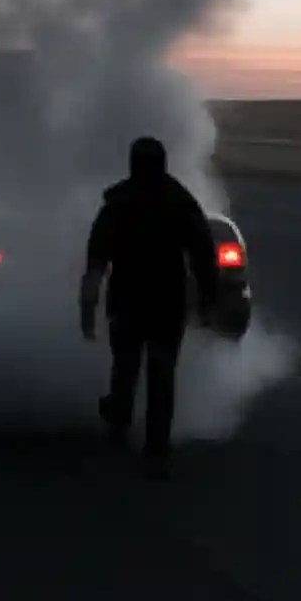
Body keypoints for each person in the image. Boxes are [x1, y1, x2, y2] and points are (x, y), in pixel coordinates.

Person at [79, 137, 217, 480]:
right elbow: (203, 256)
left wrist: (88, 306)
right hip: (167, 304)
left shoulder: (118, 203)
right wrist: (207, 303)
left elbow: (96, 261)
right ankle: (156, 444)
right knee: (161, 372)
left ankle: (119, 423)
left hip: (127, 302)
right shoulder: (180, 201)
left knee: (125, 366)